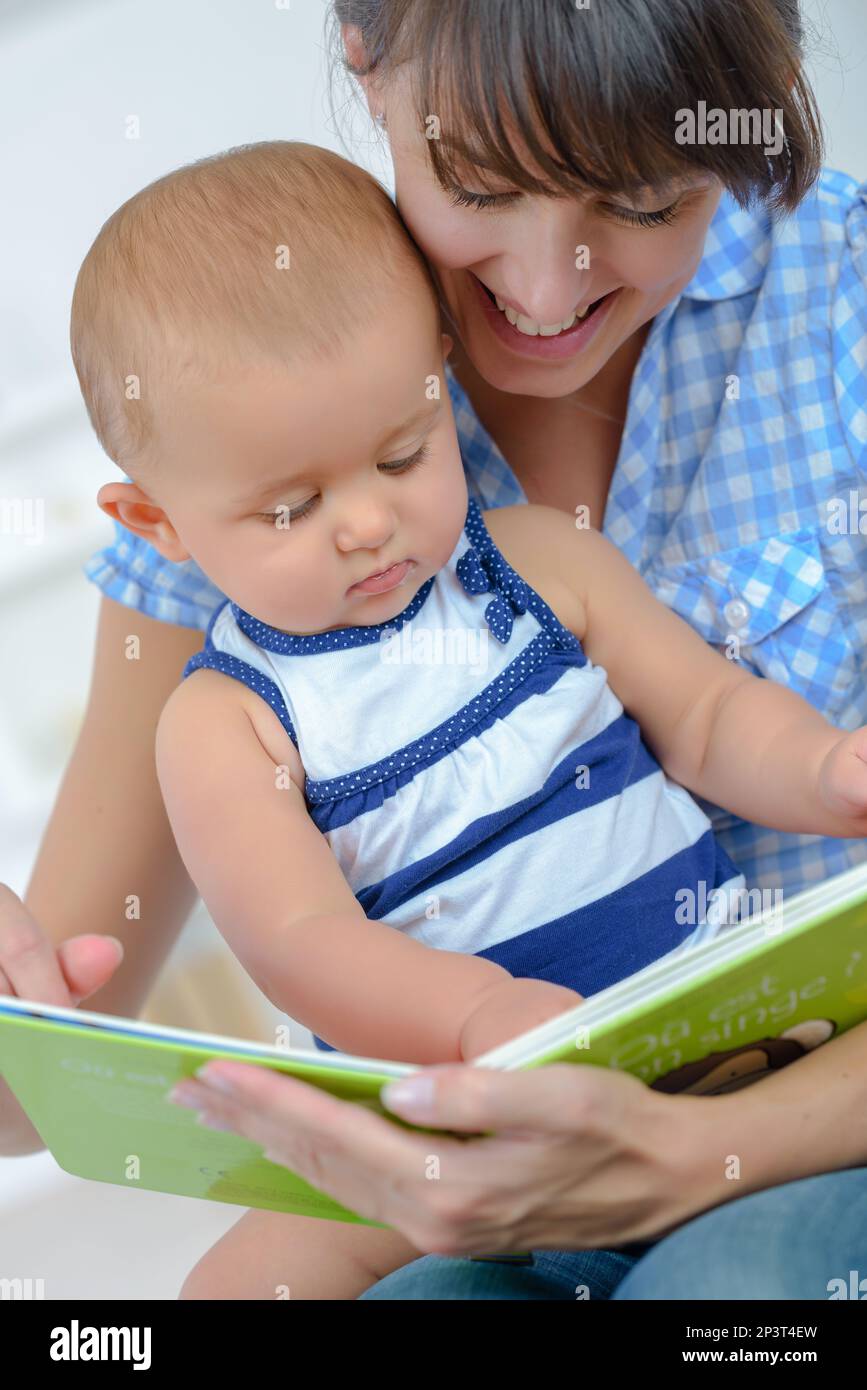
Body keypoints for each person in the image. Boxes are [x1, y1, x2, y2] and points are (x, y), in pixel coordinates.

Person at [2, 0, 866, 1299]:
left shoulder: (828, 310)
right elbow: (57, 1057)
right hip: (452, 1173)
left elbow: (715, 722)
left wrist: (693, 1151)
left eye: (640, 199)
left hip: (799, 1109)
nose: (543, 286)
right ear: (364, 52)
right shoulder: (225, 421)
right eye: (481, 185)